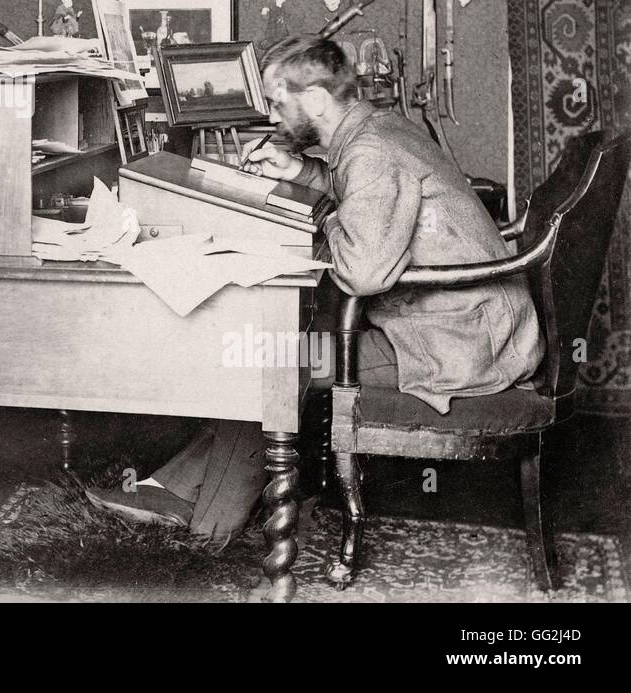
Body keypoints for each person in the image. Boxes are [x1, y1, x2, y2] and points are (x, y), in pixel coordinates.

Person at [87, 34, 542, 541]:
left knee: (275, 361)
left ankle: (210, 524)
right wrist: (303, 173)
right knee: (280, 350)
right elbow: (370, 196)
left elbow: (363, 271)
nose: (275, 119)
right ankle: (177, 489)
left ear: (318, 100)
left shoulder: (369, 151)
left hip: (458, 344)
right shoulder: (379, 128)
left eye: (279, 103)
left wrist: (316, 220)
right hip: (473, 323)